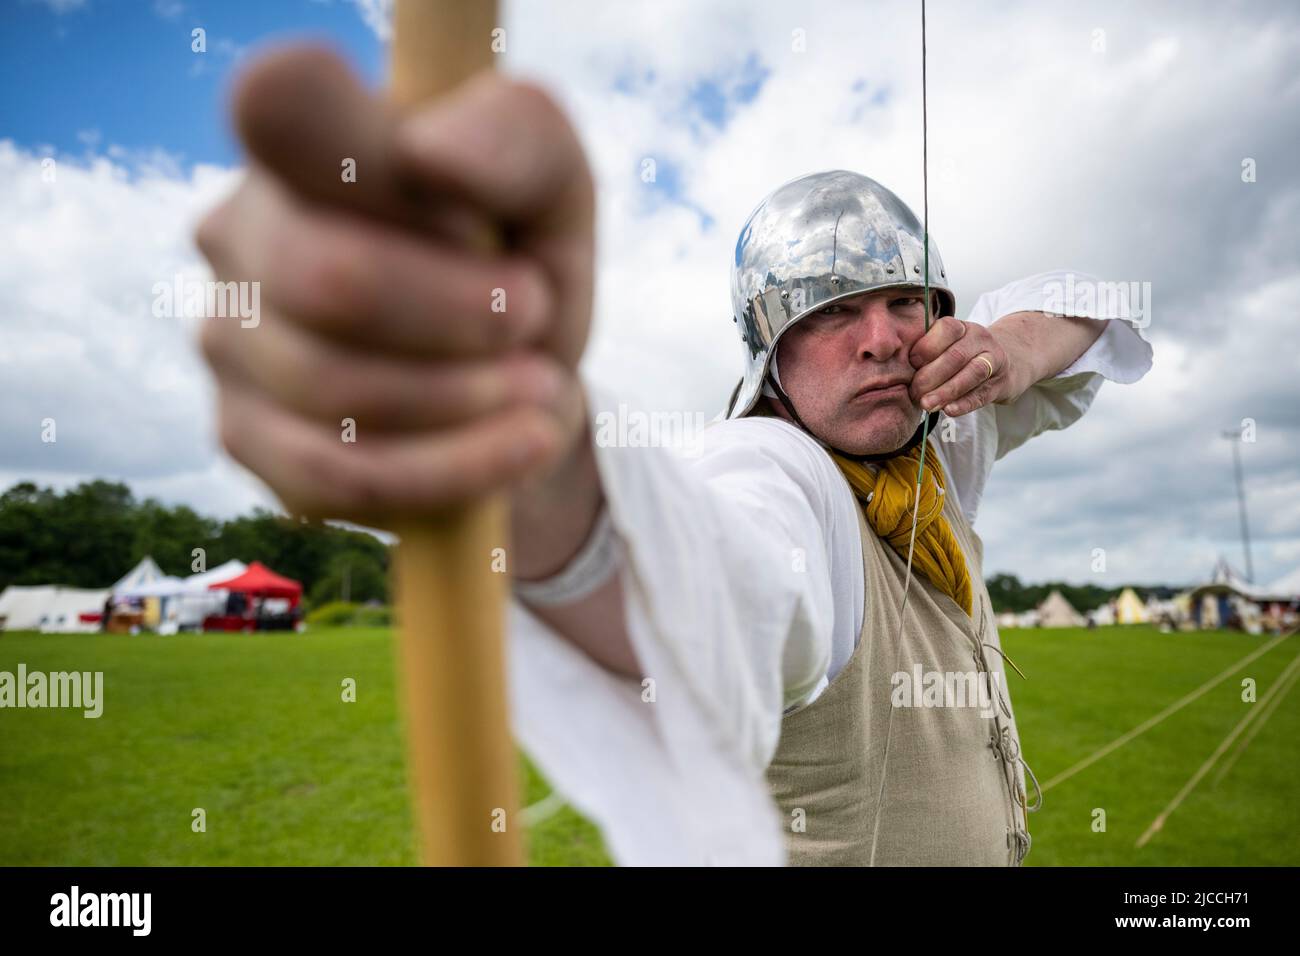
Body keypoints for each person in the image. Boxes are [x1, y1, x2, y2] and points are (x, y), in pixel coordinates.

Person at [196, 48, 1151, 865]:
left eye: (906, 302)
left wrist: (1013, 350)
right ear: (770, 353)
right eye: (830, 314)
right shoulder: (779, 474)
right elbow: (713, 580)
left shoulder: (943, 448)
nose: (881, 340)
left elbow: (1101, 298)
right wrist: (528, 458)